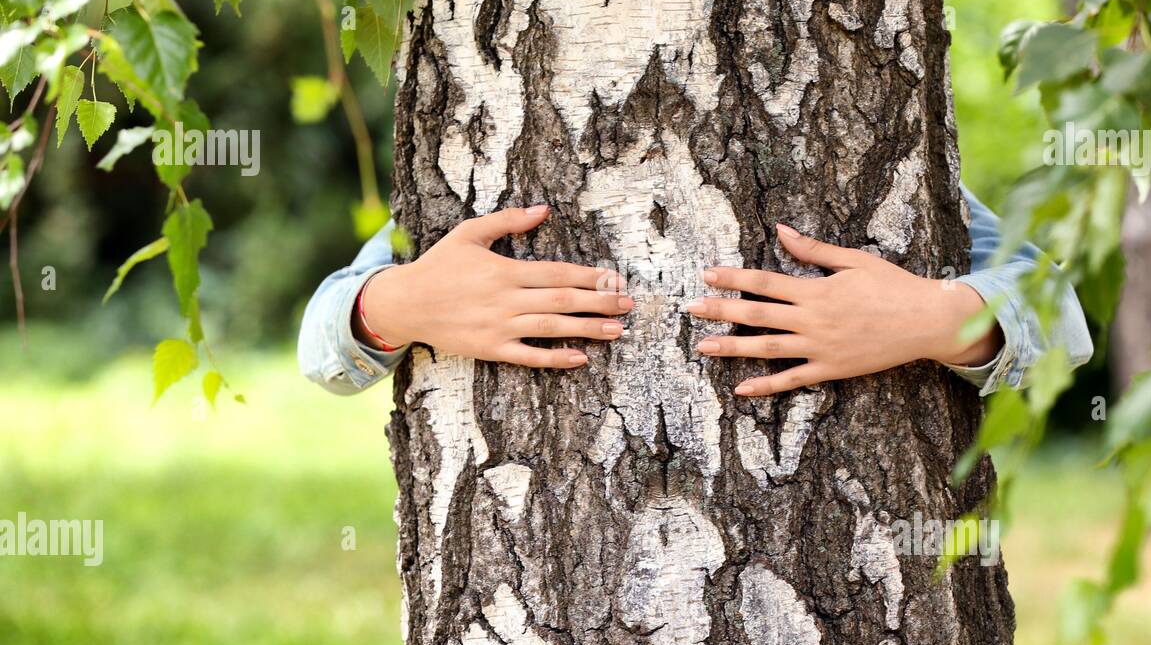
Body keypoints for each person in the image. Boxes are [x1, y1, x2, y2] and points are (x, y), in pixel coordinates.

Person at [298, 186, 1093, 397]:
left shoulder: (909, 163)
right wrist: (393, 306)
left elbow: (1064, 319)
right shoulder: (483, 159)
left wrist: (932, 316)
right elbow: (319, 343)